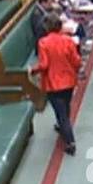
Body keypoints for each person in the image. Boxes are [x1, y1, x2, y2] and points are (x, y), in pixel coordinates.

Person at [32, 14, 81, 156]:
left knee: (61, 114)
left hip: (53, 84)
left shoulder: (43, 43)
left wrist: (33, 70)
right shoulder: (68, 41)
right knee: (66, 107)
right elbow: (76, 61)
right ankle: (62, 127)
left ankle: (70, 142)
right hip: (69, 81)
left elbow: (44, 64)